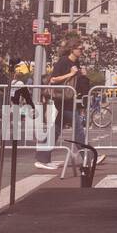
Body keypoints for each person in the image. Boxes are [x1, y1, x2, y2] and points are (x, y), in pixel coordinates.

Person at [35, 43, 81, 171]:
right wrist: (70, 74)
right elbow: (54, 79)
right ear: (72, 49)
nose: (82, 50)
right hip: (62, 99)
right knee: (78, 128)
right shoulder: (63, 61)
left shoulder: (77, 62)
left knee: (56, 129)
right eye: (80, 48)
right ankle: (88, 157)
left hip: (70, 99)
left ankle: (42, 157)